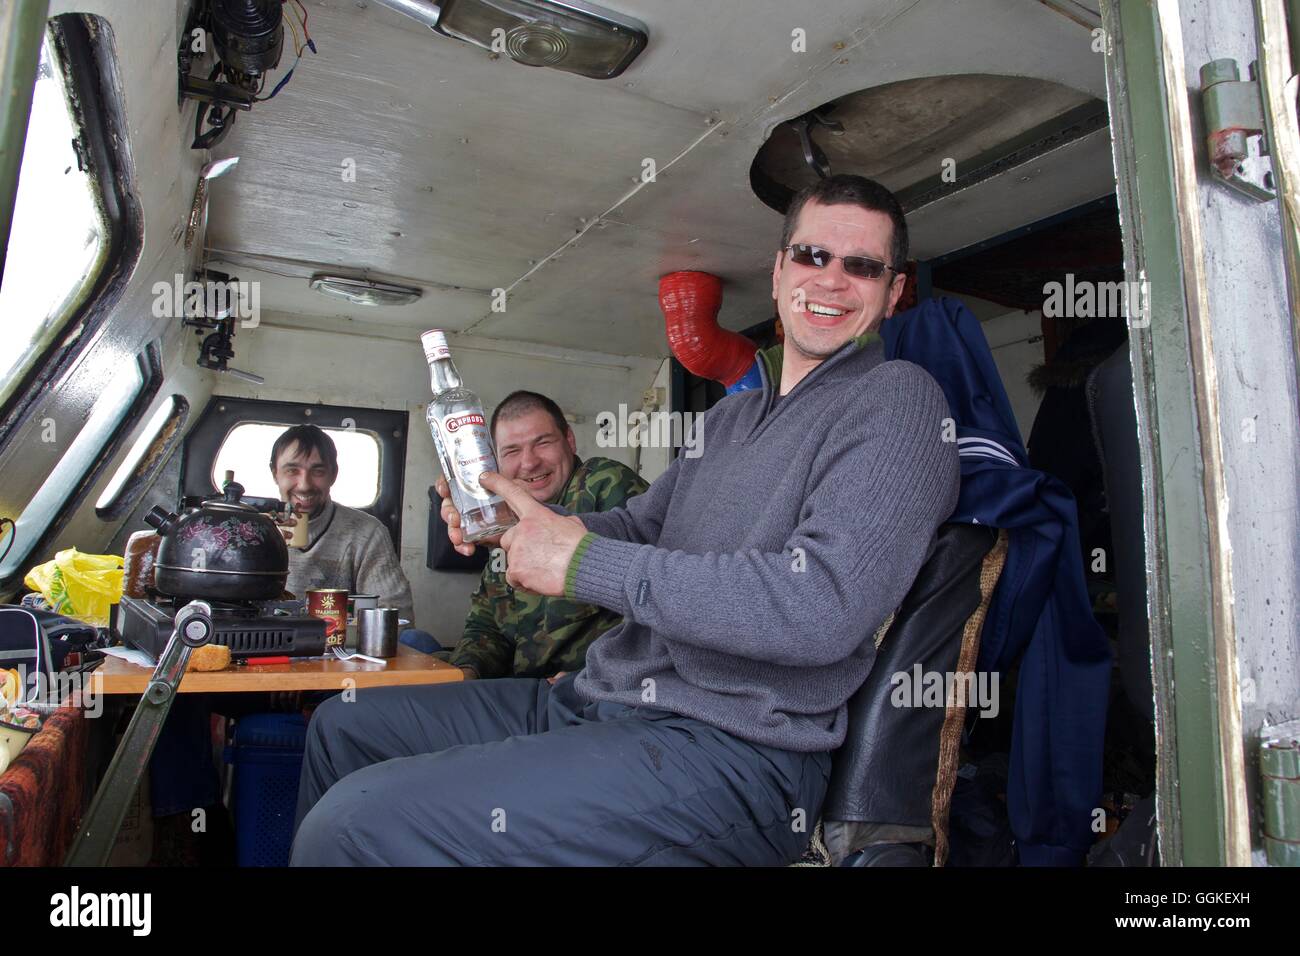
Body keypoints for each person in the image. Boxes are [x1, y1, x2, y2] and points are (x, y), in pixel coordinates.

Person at [290, 174, 959, 866]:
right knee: (345, 724)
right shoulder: (732, 416)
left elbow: (820, 605)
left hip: (731, 751)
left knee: (351, 827)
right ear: (779, 270)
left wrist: (578, 562)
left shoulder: (898, 402)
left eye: (863, 266)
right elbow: (640, 528)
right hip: (599, 699)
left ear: (894, 290)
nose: (832, 281)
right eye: (813, 256)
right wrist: (516, 529)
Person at [425, 390, 647, 679]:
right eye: (512, 451)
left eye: (542, 443)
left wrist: (598, 676)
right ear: (494, 462)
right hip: (526, 693)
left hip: (595, 692)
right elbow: (487, 628)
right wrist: (466, 674)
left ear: (569, 441)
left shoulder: (602, 482)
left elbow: (652, 590)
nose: (529, 463)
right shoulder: (505, 518)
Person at [271, 424, 414, 624]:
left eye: (318, 471)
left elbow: (398, 617)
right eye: (292, 470)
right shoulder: (252, 530)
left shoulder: (367, 532)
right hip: (270, 643)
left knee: (418, 640)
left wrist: (350, 623)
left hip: (343, 649)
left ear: (334, 474)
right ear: (274, 473)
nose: (304, 484)